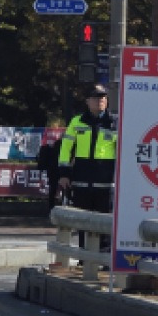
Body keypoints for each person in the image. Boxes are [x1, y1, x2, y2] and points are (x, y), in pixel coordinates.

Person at [57, 83, 117, 250]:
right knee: (83, 222)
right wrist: (64, 174)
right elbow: (66, 150)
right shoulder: (77, 122)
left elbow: (122, 152)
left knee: (105, 223)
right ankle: (85, 260)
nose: (100, 101)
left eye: (103, 98)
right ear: (87, 101)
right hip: (82, 181)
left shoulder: (114, 123)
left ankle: (104, 260)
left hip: (106, 183)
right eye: (96, 97)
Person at [36, 138, 61, 215]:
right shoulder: (61, 146)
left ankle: (51, 208)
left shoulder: (47, 148)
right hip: (62, 170)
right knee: (65, 189)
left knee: (52, 189)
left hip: (52, 170)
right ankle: (64, 206)